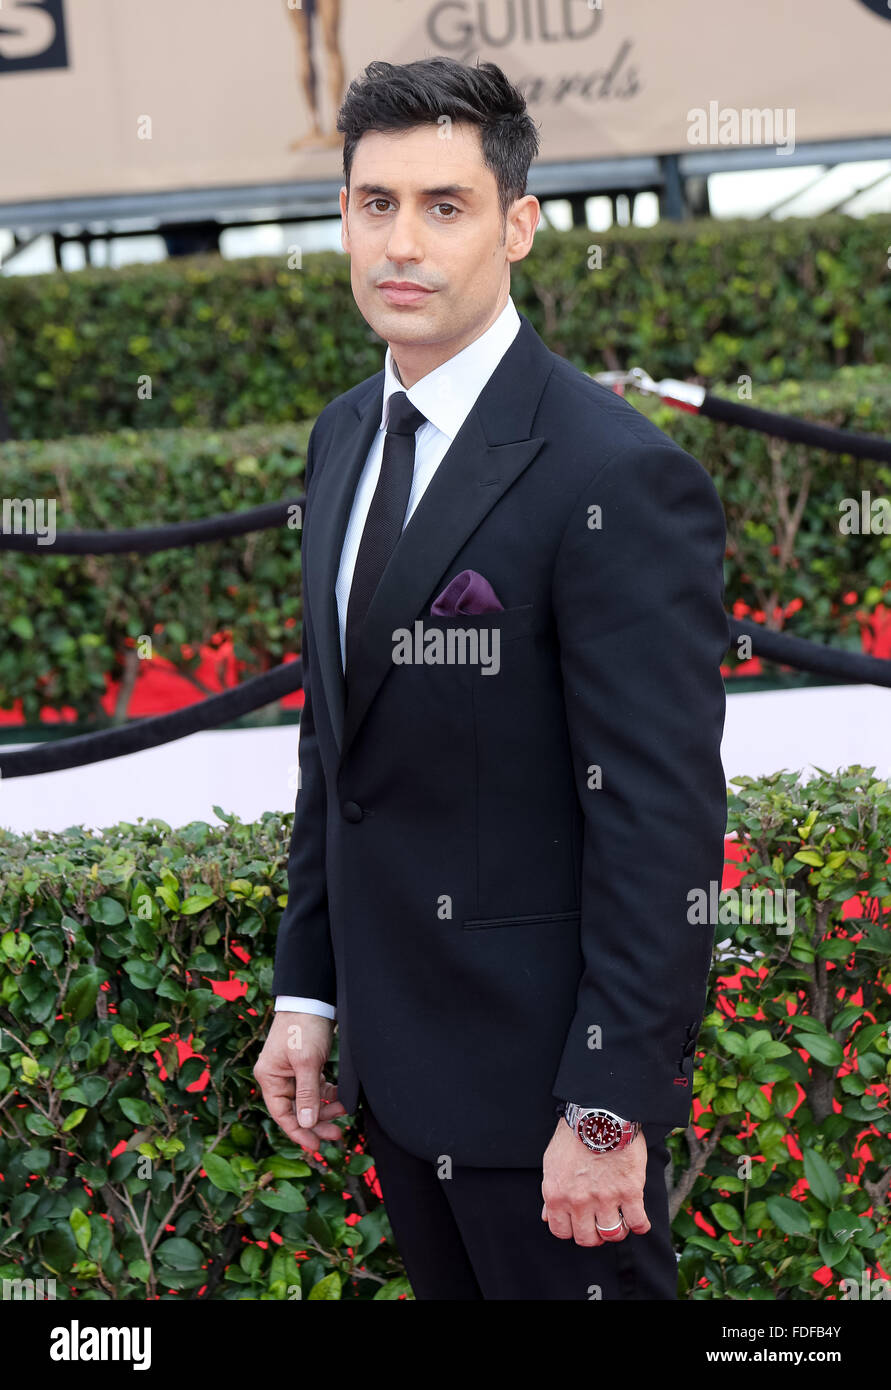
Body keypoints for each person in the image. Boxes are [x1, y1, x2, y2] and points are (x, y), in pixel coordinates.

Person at [254, 55, 729, 1300]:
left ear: (518, 224)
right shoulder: (347, 434)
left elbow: (662, 823)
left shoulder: (614, 473)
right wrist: (308, 990)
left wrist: (610, 1106)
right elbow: (336, 749)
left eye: (445, 206)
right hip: (401, 1092)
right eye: (374, 204)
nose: (401, 243)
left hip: (547, 1106)